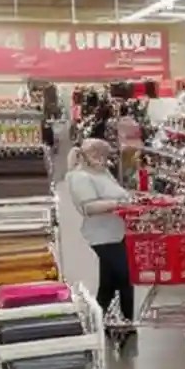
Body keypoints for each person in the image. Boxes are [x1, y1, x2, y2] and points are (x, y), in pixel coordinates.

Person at [66, 138, 134, 323]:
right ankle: (128, 322)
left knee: (109, 283)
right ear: (85, 156)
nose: (101, 158)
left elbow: (118, 192)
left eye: (103, 154)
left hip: (116, 232)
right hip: (101, 236)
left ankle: (97, 320)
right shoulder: (79, 176)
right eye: (95, 154)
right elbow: (87, 207)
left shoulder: (102, 173)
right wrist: (118, 205)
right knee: (125, 277)